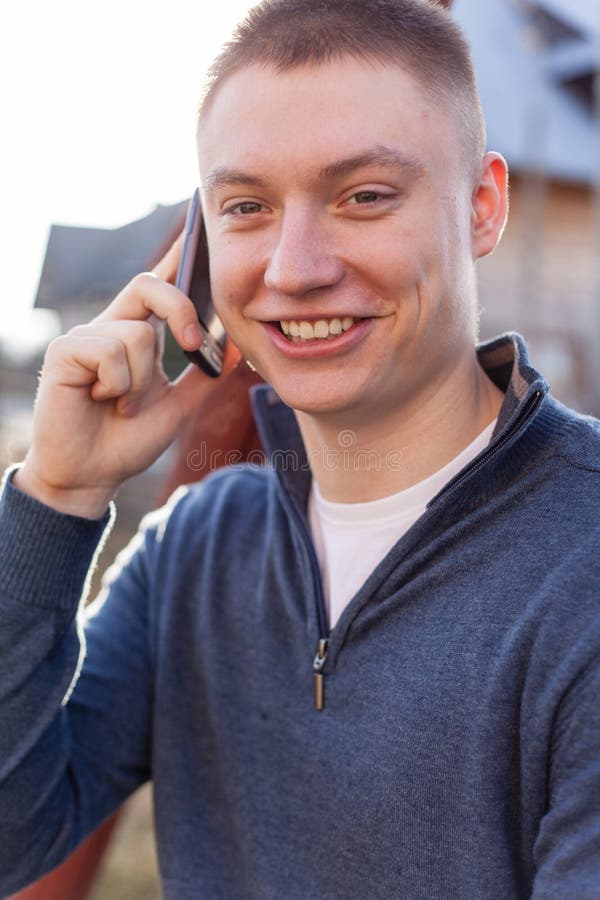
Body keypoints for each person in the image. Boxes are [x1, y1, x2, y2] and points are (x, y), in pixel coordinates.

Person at [1, 0, 599, 897]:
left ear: (482, 208)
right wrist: (53, 496)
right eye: (246, 206)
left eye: (364, 196)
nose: (294, 267)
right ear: (198, 251)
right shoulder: (195, 548)